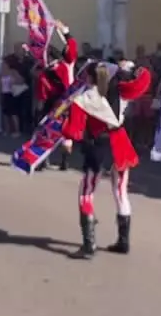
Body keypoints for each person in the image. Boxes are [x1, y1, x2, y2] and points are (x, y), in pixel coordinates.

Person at [61, 61, 151, 259]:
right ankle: (123, 242)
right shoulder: (120, 90)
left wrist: (63, 127)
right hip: (119, 142)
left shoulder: (83, 98)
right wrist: (138, 70)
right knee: (121, 192)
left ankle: (88, 245)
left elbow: (74, 131)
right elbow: (142, 83)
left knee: (86, 192)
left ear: (91, 77)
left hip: (98, 147)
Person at [36, 21, 78, 171]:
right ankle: (62, 161)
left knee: (49, 130)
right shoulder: (66, 64)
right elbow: (72, 46)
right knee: (63, 132)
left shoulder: (51, 68)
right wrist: (65, 32)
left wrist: (64, 31)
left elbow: (42, 88)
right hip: (64, 102)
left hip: (57, 102)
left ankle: (45, 161)